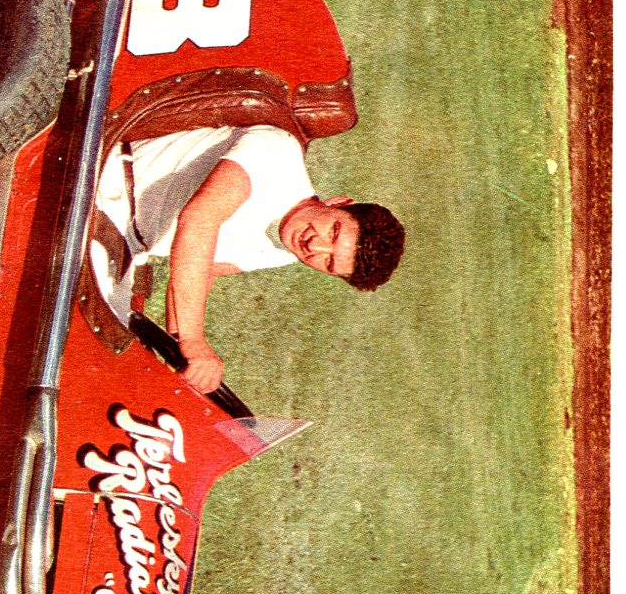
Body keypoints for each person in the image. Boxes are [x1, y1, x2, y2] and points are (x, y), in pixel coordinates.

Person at [90, 121, 404, 395]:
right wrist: (194, 339)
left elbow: (207, 269)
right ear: (339, 202)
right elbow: (198, 221)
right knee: (90, 342)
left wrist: (178, 349)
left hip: (127, 243)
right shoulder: (279, 152)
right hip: (107, 181)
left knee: (117, 366)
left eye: (328, 263)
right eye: (333, 231)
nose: (314, 246)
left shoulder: (283, 253)